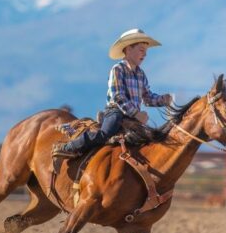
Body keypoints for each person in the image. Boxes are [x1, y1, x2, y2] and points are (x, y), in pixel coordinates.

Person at [52, 28, 173, 158]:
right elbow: (118, 96)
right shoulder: (118, 69)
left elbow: (147, 97)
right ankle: (70, 147)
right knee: (105, 133)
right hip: (116, 112)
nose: (145, 54)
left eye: (146, 51)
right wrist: (137, 113)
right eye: (141, 50)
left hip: (133, 117)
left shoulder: (140, 74)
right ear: (128, 49)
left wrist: (162, 100)